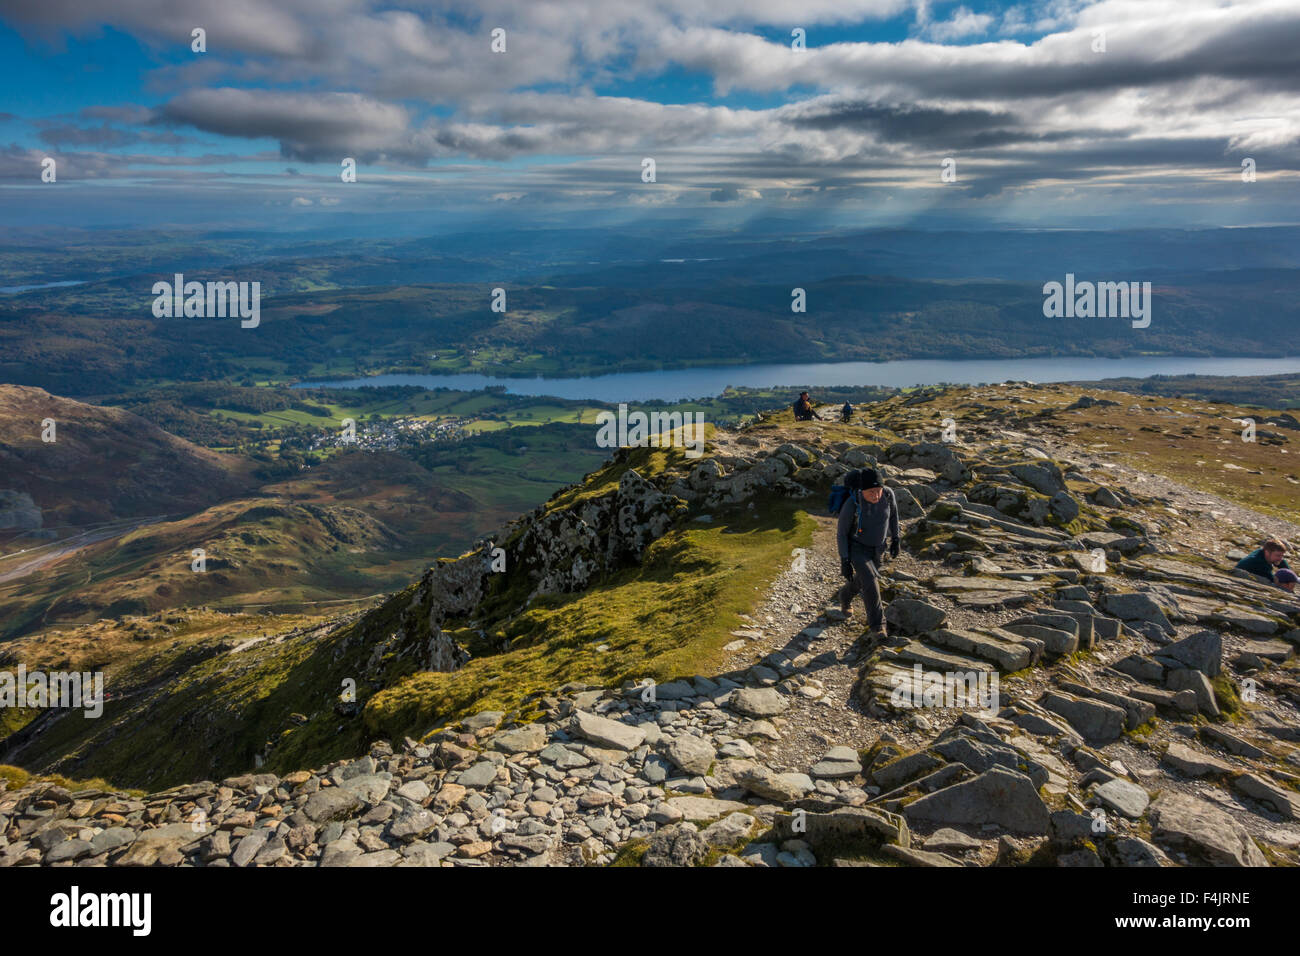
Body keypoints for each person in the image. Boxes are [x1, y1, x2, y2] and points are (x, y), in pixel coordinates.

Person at [837, 467, 900, 644]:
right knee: (871, 581)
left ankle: (845, 596)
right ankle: (878, 626)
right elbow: (841, 533)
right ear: (861, 490)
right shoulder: (852, 504)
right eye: (871, 492)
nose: (876, 495)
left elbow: (894, 516)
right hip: (857, 548)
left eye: (878, 490)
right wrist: (845, 560)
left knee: (863, 579)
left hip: (878, 547)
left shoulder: (888, 495)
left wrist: (896, 539)